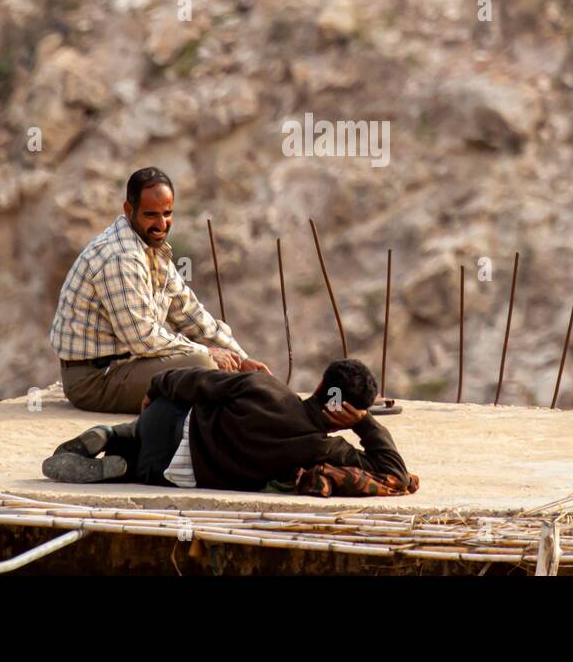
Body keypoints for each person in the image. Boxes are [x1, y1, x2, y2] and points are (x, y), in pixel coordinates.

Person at [49, 166, 269, 414]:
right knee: (203, 367)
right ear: (128, 210)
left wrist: (240, 358)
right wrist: (209, 353)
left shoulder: (151, 248)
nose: (161, 224)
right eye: (151, 214)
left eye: (167, 213)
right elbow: (143, 338)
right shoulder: (121, 257)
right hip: (94, 380)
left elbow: (190, 314)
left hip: (127, 365)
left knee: (210, 366)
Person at [42, 359, 411, 494]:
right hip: (176, 471)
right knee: (155, 468)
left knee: (153, 426)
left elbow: (194, 379)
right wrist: (365, 424)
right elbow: (393, 472)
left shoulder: (265, 386)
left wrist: (155, 389)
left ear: (318, 386)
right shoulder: (325, 449)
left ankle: (116, 434)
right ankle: (122, 471)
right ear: (347, 412)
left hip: (165, 421)